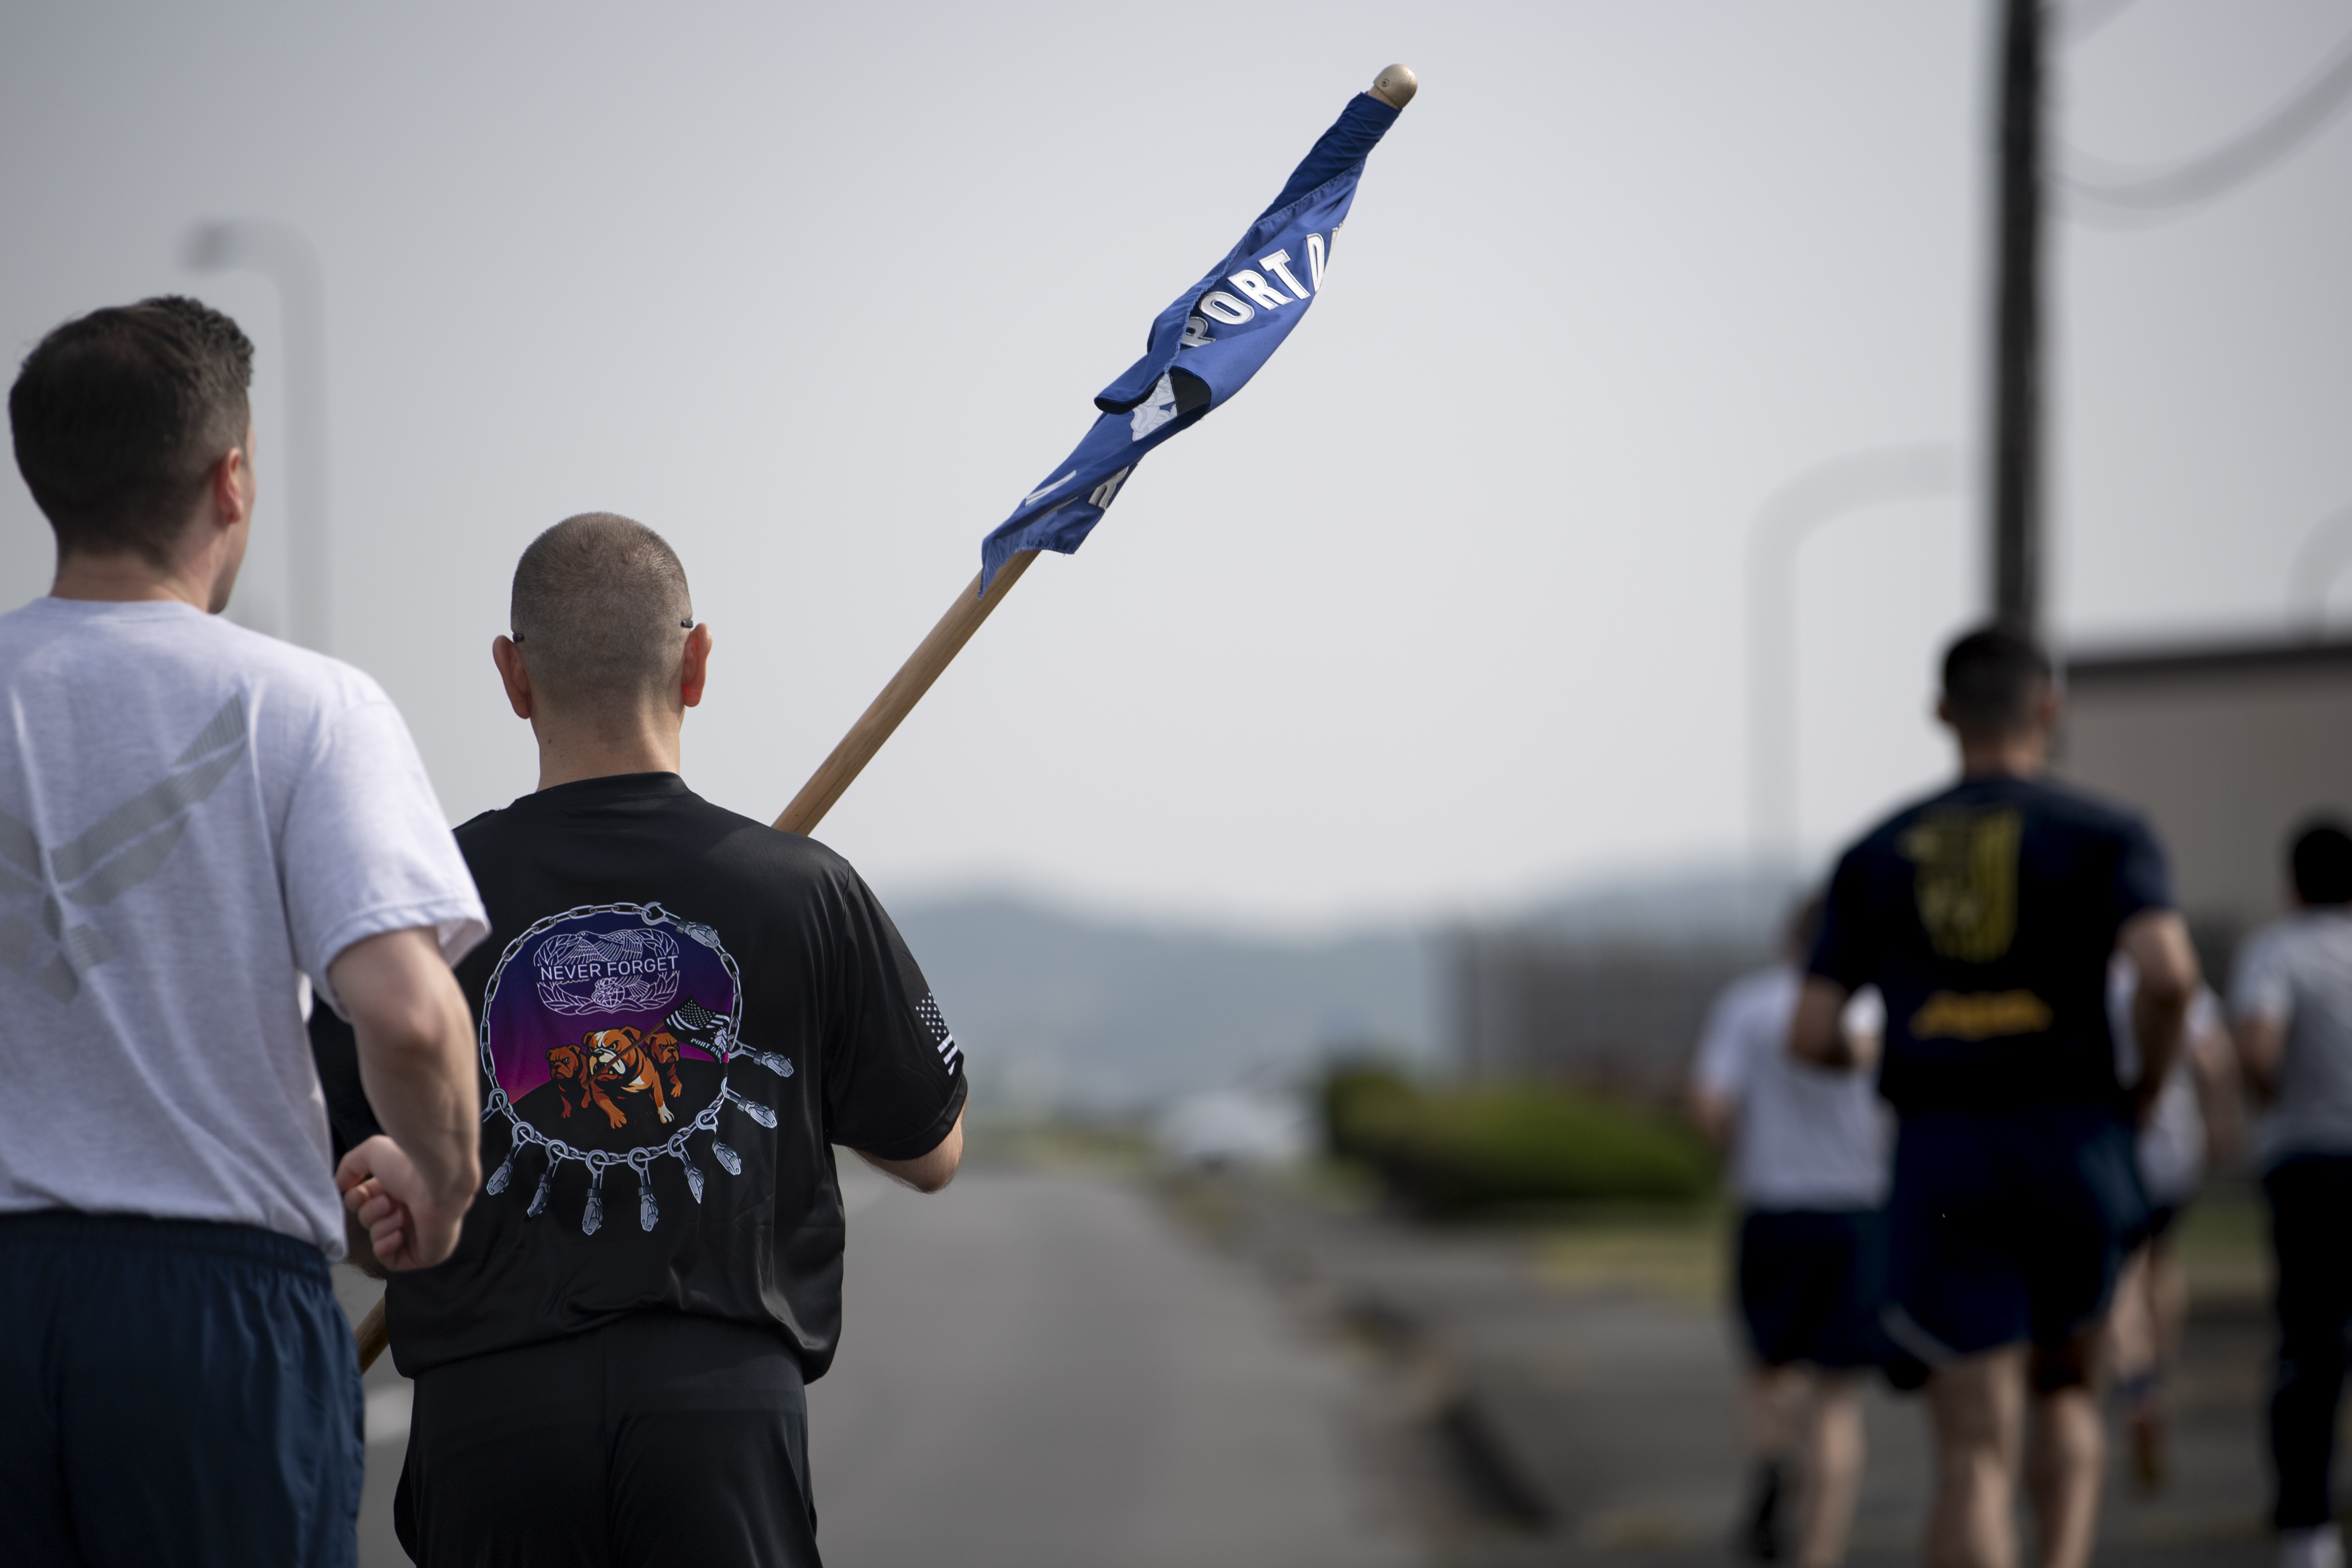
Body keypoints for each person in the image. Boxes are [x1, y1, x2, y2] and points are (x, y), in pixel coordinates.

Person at [310, 512, 968, 1568]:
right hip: (720, 1415)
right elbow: (933, 1149)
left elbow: (333, 1188)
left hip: (488, 1417)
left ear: (511, 677)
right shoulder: (803, 890)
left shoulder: (413, 904)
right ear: (698, 662)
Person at [0, 297, 487, 1566]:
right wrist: (441, 1177)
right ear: (231, 478)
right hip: (209, 1309)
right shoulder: (307, 705)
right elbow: (408, 1006)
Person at [1790, 626, 2199, 1568]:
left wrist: (1890, 1043)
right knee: (2064, 1395)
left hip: (1943, 1157)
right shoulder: (2105, 832)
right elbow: (2168, 976)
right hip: (2074, 1143)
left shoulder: (1874, 850)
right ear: (2047, 707)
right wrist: (2142, 1081)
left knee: (1970, 1450)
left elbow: (1808, 1034)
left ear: (1940, 714)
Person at [1691, 892, 1892, 1568]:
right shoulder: (1877, 1011)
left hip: (1771, 1206)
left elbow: (1710, 1105)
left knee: (1769, 1367)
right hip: (1856, 1211)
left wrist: (1736, 1158)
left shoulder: (1745, 1006)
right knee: (1836, 1401)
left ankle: (1772, 1457)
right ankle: (1819, 1551)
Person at [2231, 819, 2352, 1568]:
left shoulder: (2275, 950)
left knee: (2308, 1343)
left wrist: (2270, 1092)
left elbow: (2257, 1045)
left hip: (2307, 1165)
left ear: (2293, 881)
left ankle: (2306, 1524)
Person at [2102, 951, 2233, 1490]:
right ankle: (2159, 1371)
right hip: (2174, 1148)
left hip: (2112, 1146)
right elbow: (2211, 1057)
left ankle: (2135, 1383)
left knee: (2122, 1272)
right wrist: (2221, 1117)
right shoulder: (2179, 975)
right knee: (2162, 1258)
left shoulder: (2092, 972)